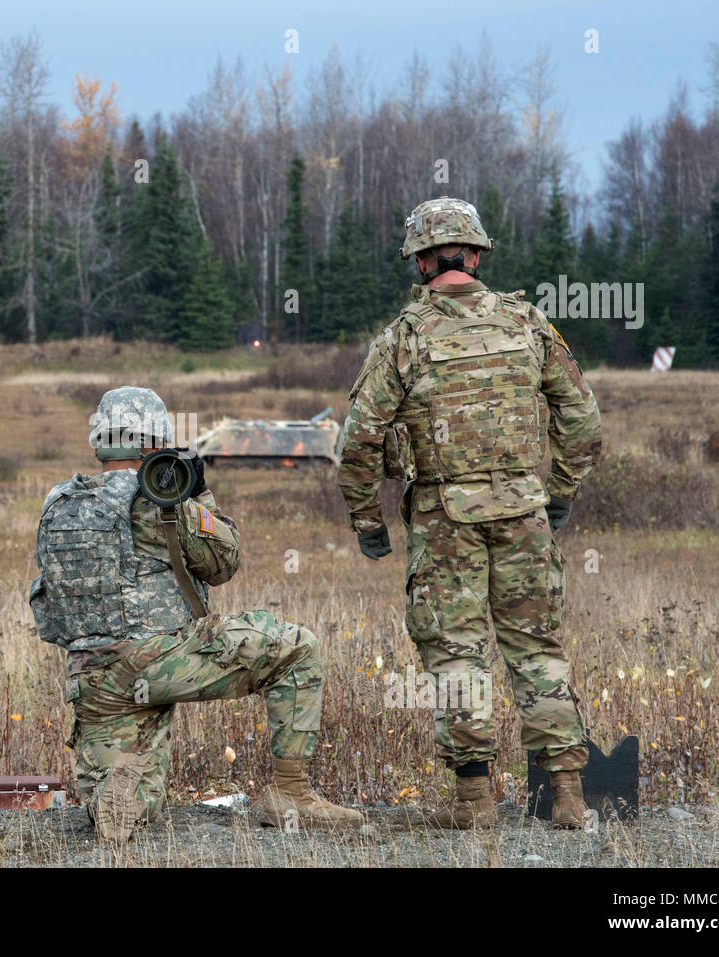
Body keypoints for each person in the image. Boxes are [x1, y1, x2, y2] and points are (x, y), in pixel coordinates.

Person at [336, 196, 602, 829]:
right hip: (524, 512)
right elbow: (583, 421)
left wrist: (368, 522)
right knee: (537, 650)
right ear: (477, 254)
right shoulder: (529, 325)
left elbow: (357, 445)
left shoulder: (403, 338)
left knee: (457, 656)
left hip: (442, 518)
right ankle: (566, 796)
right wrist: (559, 490)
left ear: (422, 260)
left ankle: (474, 803)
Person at [30, 386, 371, 846]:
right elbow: (223, 563)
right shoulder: (157, 500)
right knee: (298, 647)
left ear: (99, 441)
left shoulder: (58, 504)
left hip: (92, 676)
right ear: (154, 443)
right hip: (163, 659)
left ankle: (117, 802)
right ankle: (291, 794)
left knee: (136, 806)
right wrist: (198, 494)